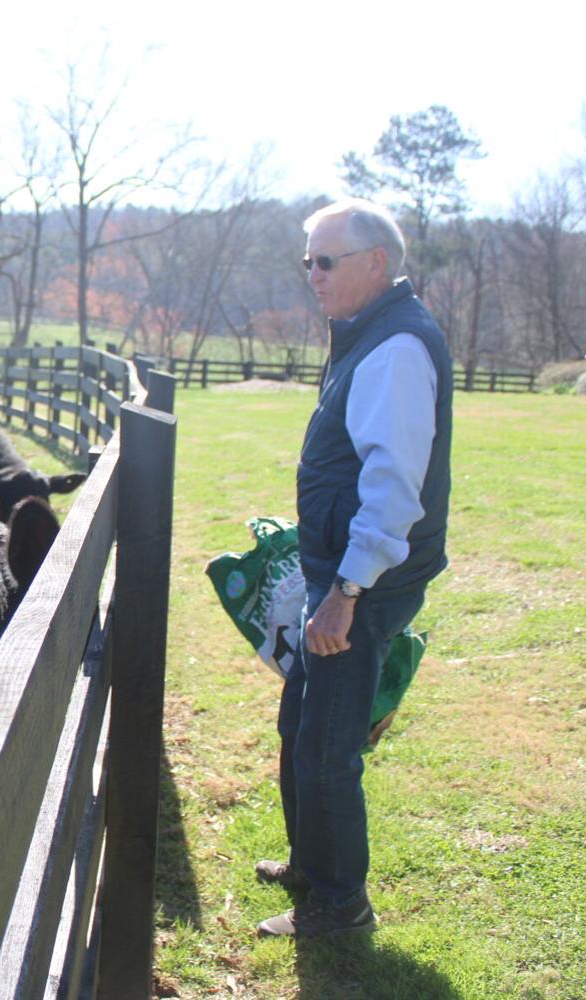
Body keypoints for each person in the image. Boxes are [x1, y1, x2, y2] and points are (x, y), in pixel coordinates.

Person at [255, 199, 452, 938]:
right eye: (306, 259)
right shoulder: (370, 333)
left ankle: (341, 905)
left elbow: (392, 487)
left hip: (359, 584)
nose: (312, 273)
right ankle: (311, 865)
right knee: (300, 721)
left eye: (325, 261)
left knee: (328, 747)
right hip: (341, 574)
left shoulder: (395, 349)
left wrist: (345, 593)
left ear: (375, 264)